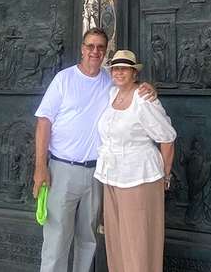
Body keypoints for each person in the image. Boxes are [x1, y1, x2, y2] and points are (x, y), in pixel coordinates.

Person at [33, 28, 155, 272]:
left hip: (96, 173)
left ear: (105, 51)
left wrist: (149, 88)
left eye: (100, 47)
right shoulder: (64, 79)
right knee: (56, 238)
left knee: (88, 238)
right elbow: (44, 122)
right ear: (82, 48)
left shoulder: (110, 81)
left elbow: (130, 88)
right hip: (62, 170)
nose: (95, 51)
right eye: (90, 46)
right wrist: (40, 166)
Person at [95, 50, 176, 272]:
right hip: (111, 176)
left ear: (134, 73)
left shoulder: (144, 100)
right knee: (116, 239)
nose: (119, 72)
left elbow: (167, 138)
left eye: (124, 68)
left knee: (138, 242)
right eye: (115, 68)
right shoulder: (111, 94)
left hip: (138, 178)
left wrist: (165, 177)